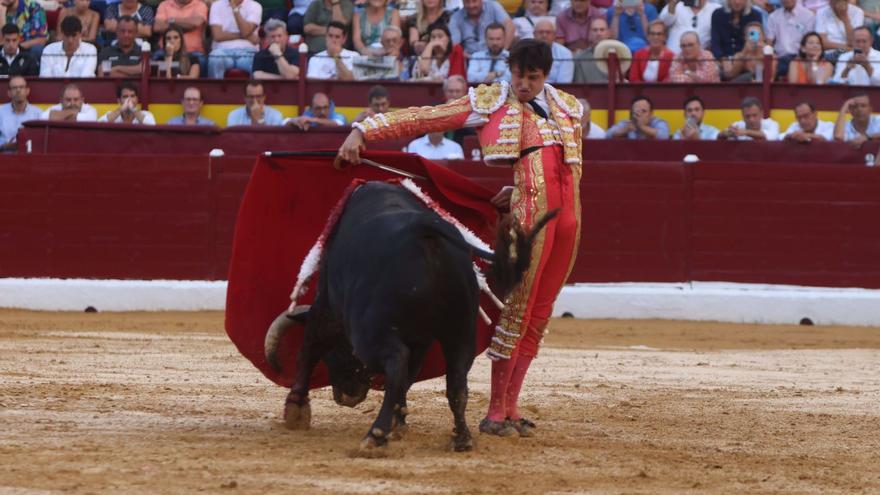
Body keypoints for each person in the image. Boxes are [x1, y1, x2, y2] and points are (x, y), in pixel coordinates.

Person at [336, 39, 584, 439]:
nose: (522, 85)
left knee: (539, 315)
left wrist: (511, 185)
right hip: (530, 219)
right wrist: (365, 128)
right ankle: (494, 411)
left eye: (532, 79)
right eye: (517, 76)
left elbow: (562, 166)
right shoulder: (491, 101)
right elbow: (426, 119)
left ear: (546, 74)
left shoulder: (568, 107)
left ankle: (513, 405)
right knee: (517, 312)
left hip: (571, 219)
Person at [207, 0, 262, 78]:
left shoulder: (255, 6)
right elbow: (217, 36)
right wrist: (246, 36)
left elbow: (245, 31)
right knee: (215, 59)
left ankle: (252, 90)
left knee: (256, 62)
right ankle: (215, 90)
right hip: (222, 51)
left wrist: (235, 9)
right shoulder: (216, 5)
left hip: (248, 52)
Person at [153, 0, 209, 66]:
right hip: (165, 52)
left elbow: (195, 22)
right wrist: (186, 25)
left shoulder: (200, 5)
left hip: (194, 52)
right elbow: (157, 27)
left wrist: (171, 20)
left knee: (201, 60)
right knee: (155, 61)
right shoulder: (164, 5)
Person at [449, 0, 514, 56]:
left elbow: (509, 26)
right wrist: (465, 56)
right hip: (468, 59)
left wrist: (503, 51)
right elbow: (454, 44)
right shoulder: (455, 18)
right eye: (467, 2)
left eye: (474, 1)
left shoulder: (493, 6)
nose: (471, 5)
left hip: (496, 55)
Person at [766, 0, 815, 75]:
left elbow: (808, 42)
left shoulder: (808, 16)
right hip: (779, 58)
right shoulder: (773, 17)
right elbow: (769, 43)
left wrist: (800, 57)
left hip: (800, 57)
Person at [0, 76, 41, 151]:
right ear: (9, 93)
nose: (18, 90)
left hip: (30, 158)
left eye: (21, 87)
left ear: (27, 91)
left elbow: (41, 140)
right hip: (4, 157)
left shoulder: (38, 113)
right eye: (14, 88)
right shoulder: (1, 112)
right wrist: (4, 146)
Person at [534, 18, 573, 83]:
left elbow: (564, 83)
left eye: (548, 32)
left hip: (556, 91)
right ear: (534, 34)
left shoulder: (565, 53)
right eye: (541, 32)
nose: (544, 35)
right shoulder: (524, 51)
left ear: (554, 35)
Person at [572, 17, 610, 82]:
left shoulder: (619, 55)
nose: (598, 33)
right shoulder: (580, 58)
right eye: (595, 30)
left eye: (602, 30)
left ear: (608, 33)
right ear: (589, 33)